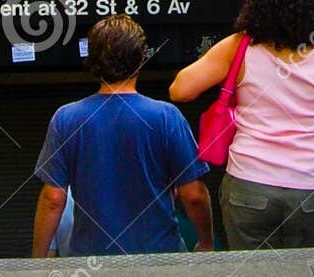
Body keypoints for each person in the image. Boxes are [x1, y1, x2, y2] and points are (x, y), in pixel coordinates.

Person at [169, 0, 314, 250]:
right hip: (313, 187)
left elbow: (180, 90)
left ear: (256, 1)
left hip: (250, 184)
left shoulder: (239, 47)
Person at [32, 15, 213, 258]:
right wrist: (206, 244)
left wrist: (37, 261)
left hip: (89, 258)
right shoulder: (167, 117)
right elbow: (193, 195)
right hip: (160, 256)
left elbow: (53, 199)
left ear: (92, 60)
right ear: (140, 59)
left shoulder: (66, 118)